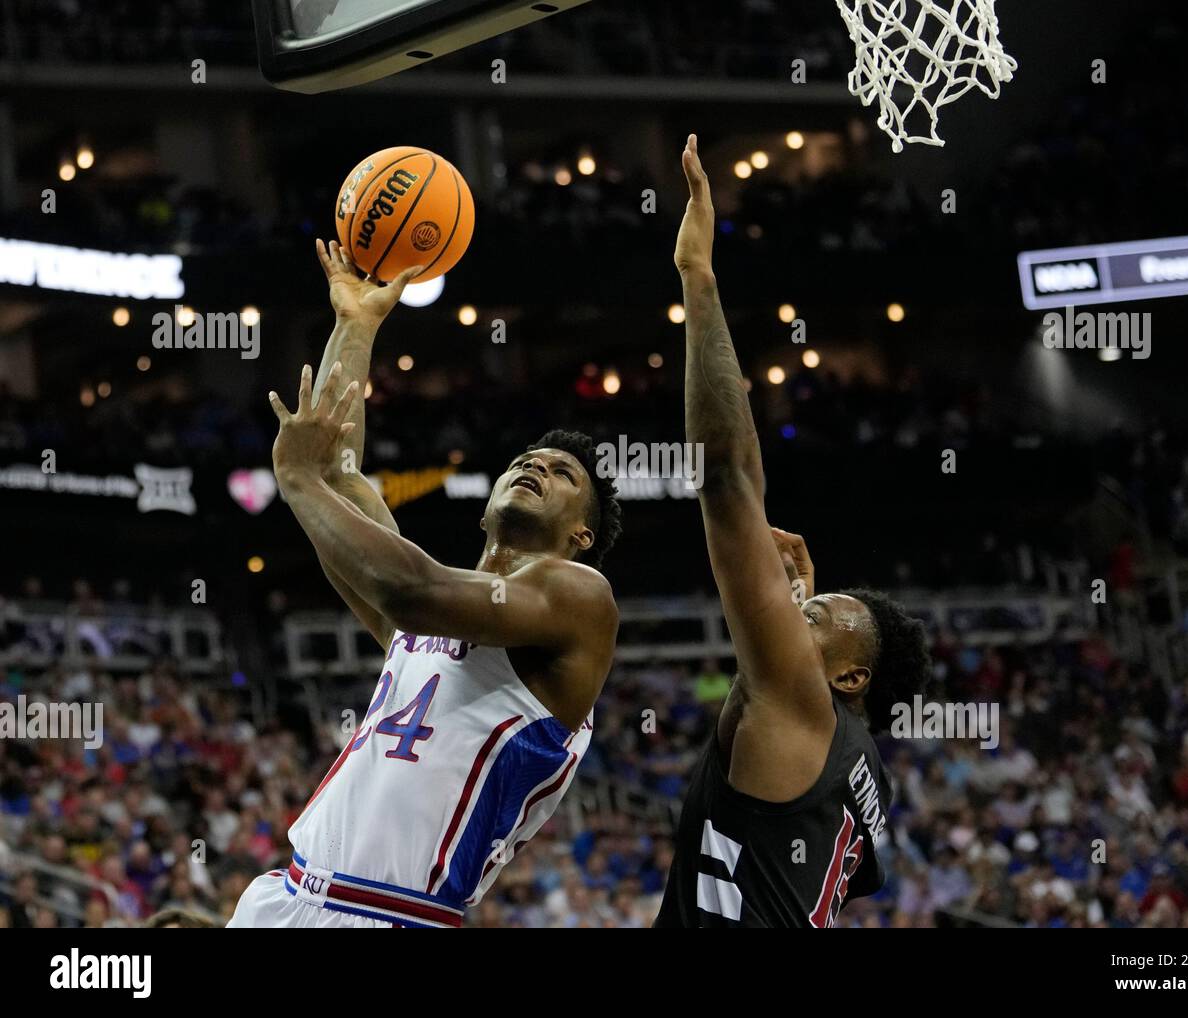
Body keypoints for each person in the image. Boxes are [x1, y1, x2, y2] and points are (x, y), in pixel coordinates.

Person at [229, 242, 621, 928]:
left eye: (563, 475)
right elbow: (338, 472)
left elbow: (407, 583)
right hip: (282, 894)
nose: (536, 467)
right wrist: (356, 324)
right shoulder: (431, 614)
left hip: (392, 916)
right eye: (527, 461)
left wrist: (294, 481)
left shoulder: (579, 600)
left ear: (580, 538)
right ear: (484, 505)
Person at [655, 136, 931, 927]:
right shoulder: (855, 772)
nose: (789, 606)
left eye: (811, 617)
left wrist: (699, 282)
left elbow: (728, 479)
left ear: (849, 680)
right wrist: (806, 606)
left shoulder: (804, 706)